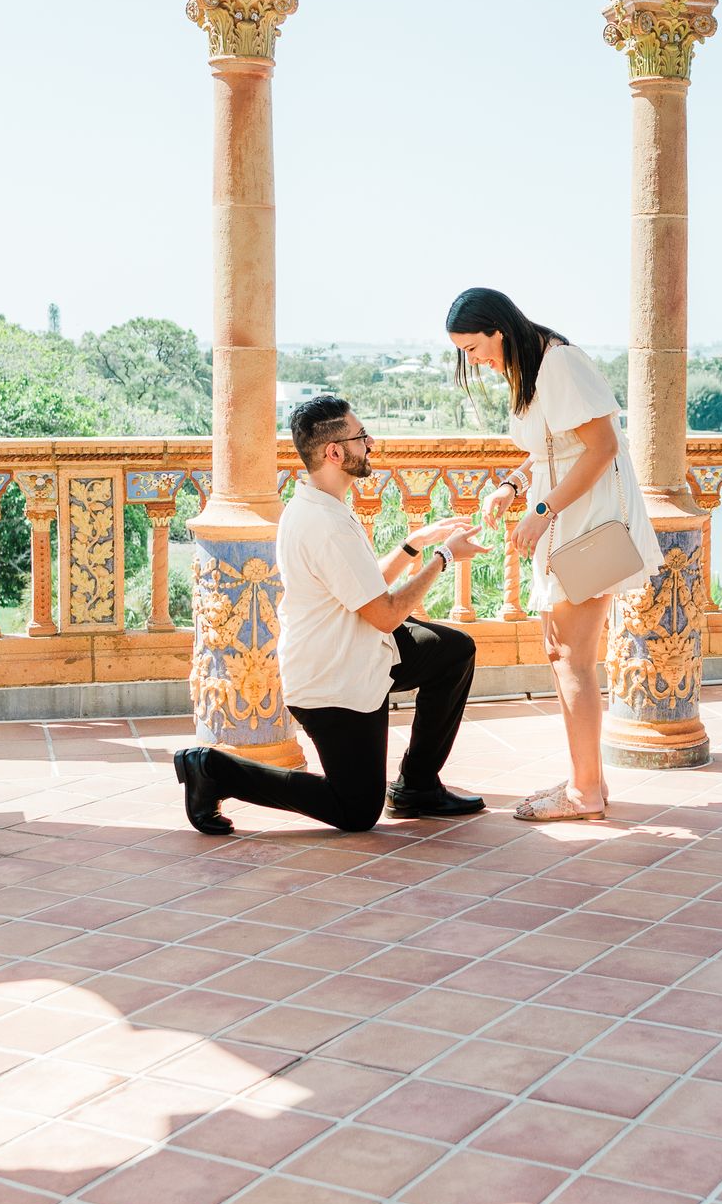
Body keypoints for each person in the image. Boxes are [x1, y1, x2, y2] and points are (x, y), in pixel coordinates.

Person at [173, 395, 489, 836]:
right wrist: (442, 558)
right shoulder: (326, 523)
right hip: (332, 677)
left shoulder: (319, 504)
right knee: (356, 811)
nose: (371, 443)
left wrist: (414, 544)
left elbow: (362, 586)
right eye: (361, 437)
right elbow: (385, 614)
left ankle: (417, 785)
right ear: (334, 452)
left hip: (358, 646)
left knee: (453, 651)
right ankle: (213, 769)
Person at [446, 287, 660, 823]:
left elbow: (603, 448)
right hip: (569, 522)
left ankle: (585, 792)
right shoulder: (532, 367)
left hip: (584, 525)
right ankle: (589, 782)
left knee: (572, 659)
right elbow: (552, 452)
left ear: (499, 328)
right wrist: (513, 487)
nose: (474, 360)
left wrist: (539, 510)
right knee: (563, 654)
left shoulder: (557, 363)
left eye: (474, 348)